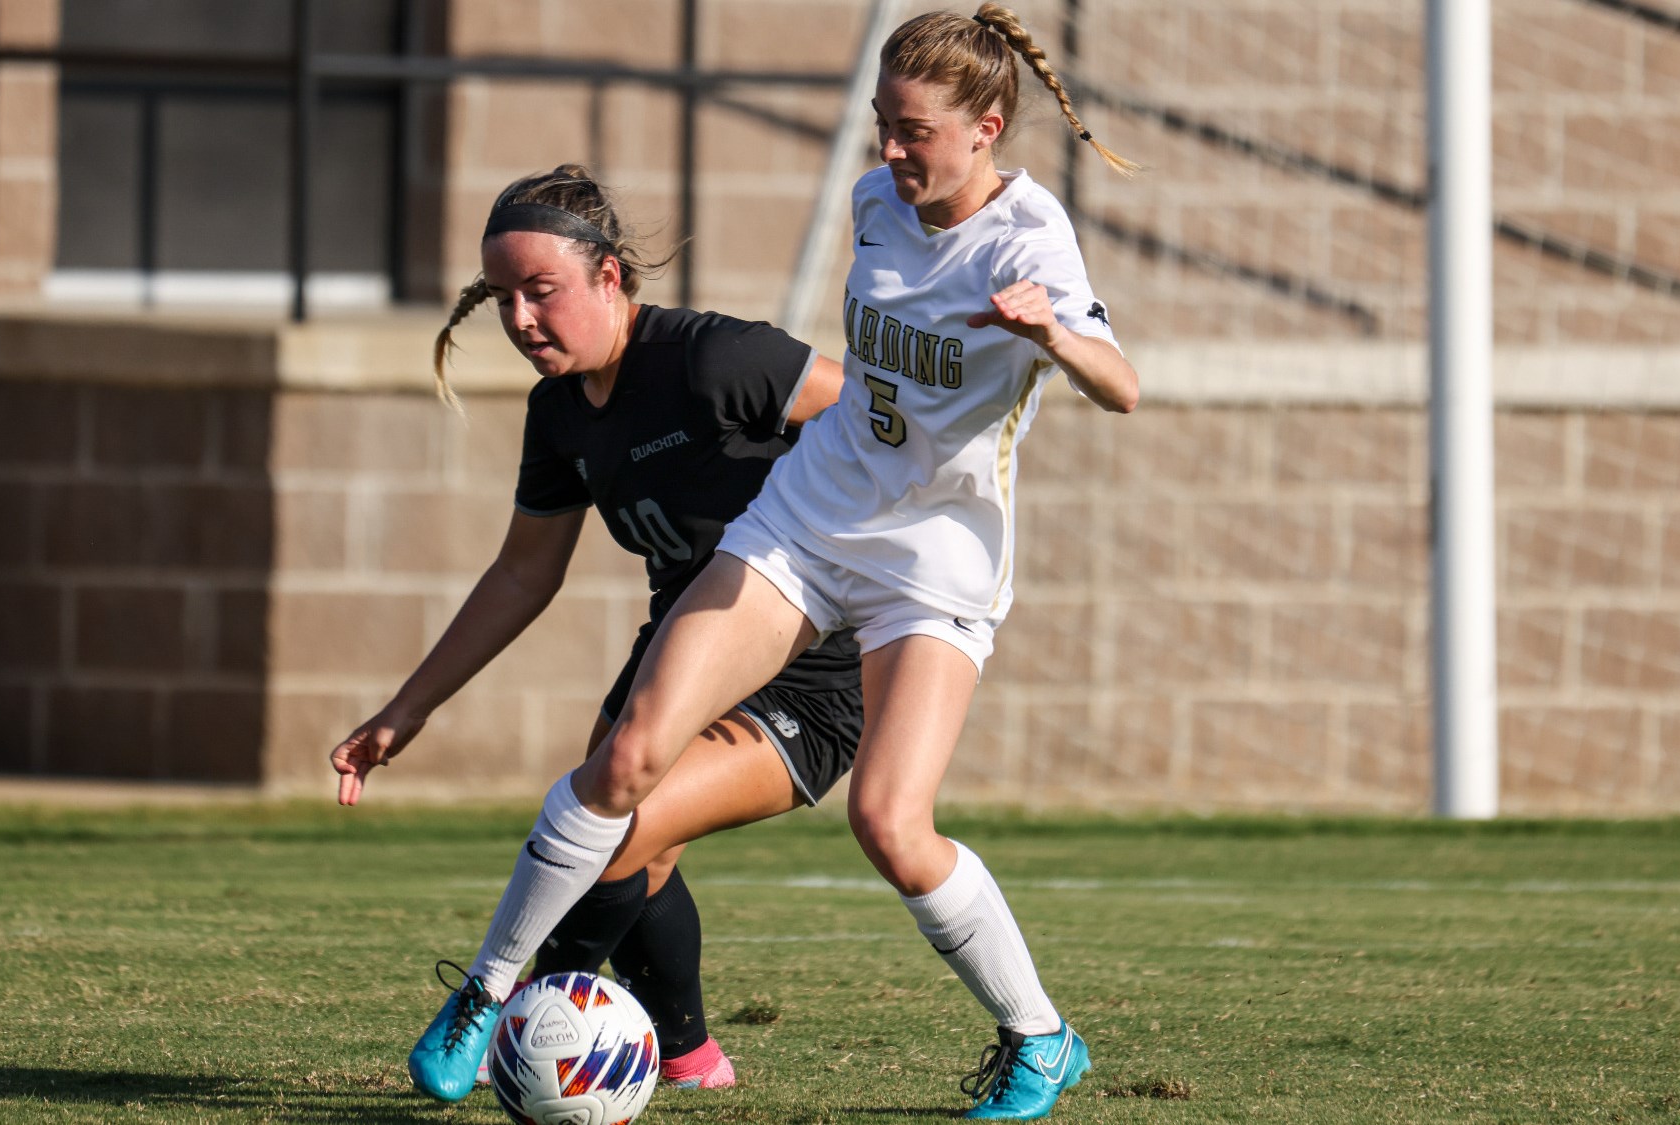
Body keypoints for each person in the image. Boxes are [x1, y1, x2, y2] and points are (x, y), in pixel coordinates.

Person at [401, 6, 1141, 1120]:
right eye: (881, 126)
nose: (888, 154)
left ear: (985, 128)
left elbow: (1121, 385)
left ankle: (1039, 1037)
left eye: (913, 133)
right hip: (802, 522)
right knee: (627, 757)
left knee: (891, 825)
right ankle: (481, 995)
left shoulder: (1029, 242)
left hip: (933, 559)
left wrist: (1052, 335)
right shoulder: (874, 202)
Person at [328, 165, 863, 1101]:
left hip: (811, 673)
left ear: (610, 277)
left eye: (543, 292)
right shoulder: (560, 414)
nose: (522, 319)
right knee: (623, 844)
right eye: (504, 298)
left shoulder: (713, 360)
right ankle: (692, 1055)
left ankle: (505, 1006)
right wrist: (404, 711)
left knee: (613, 831)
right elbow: (522, 574)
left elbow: (876, 423)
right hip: (677, 652)